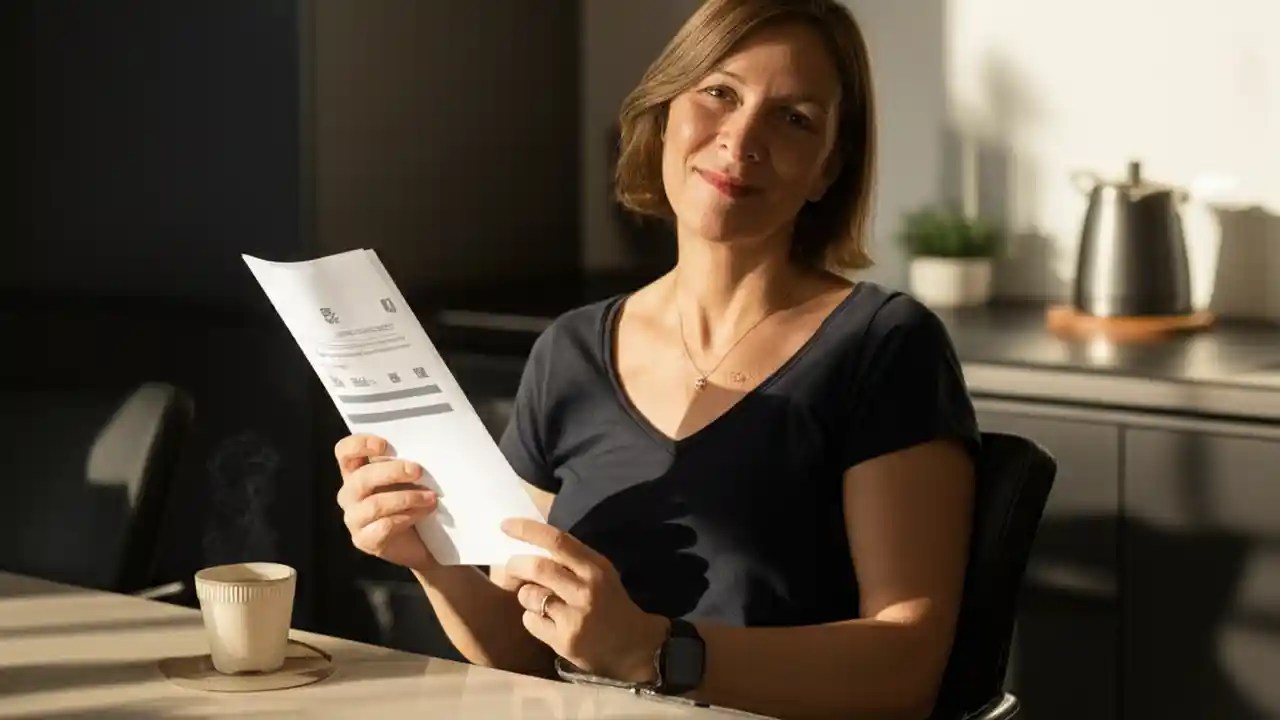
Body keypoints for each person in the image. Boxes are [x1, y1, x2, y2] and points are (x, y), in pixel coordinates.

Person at [334, 0, 980, 717]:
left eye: (794, 118)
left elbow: (906, 666)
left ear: (828, 170)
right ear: (665, 110)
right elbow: (526, 652)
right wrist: (430, 559)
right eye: (719, 93)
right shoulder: (571, 352)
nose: (741, 140)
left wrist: (656, 649)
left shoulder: (885, 345)